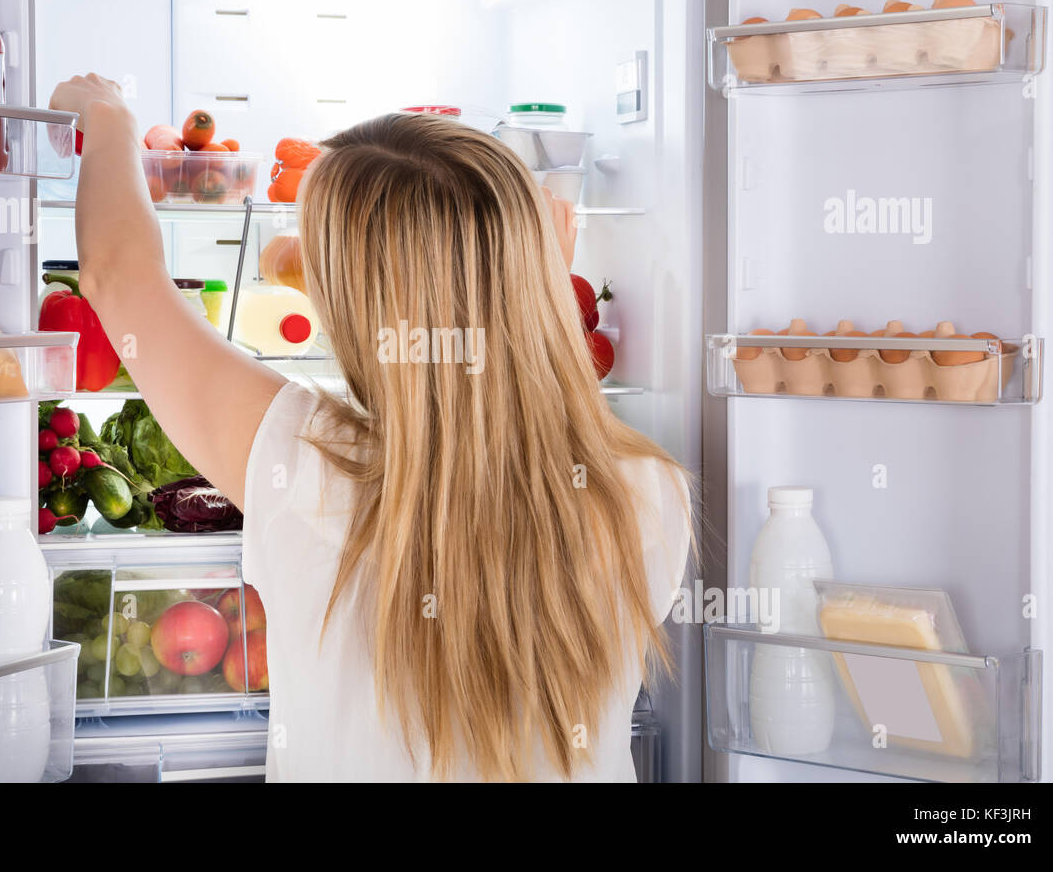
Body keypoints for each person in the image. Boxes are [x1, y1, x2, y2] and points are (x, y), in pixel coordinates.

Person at [50, 74, 692, 782]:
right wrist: (524, 290)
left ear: (351, 305)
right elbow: (520, 410)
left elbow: (118, 277)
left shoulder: (307, 464)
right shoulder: (648, 493)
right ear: (535, 268)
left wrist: (106, 113)